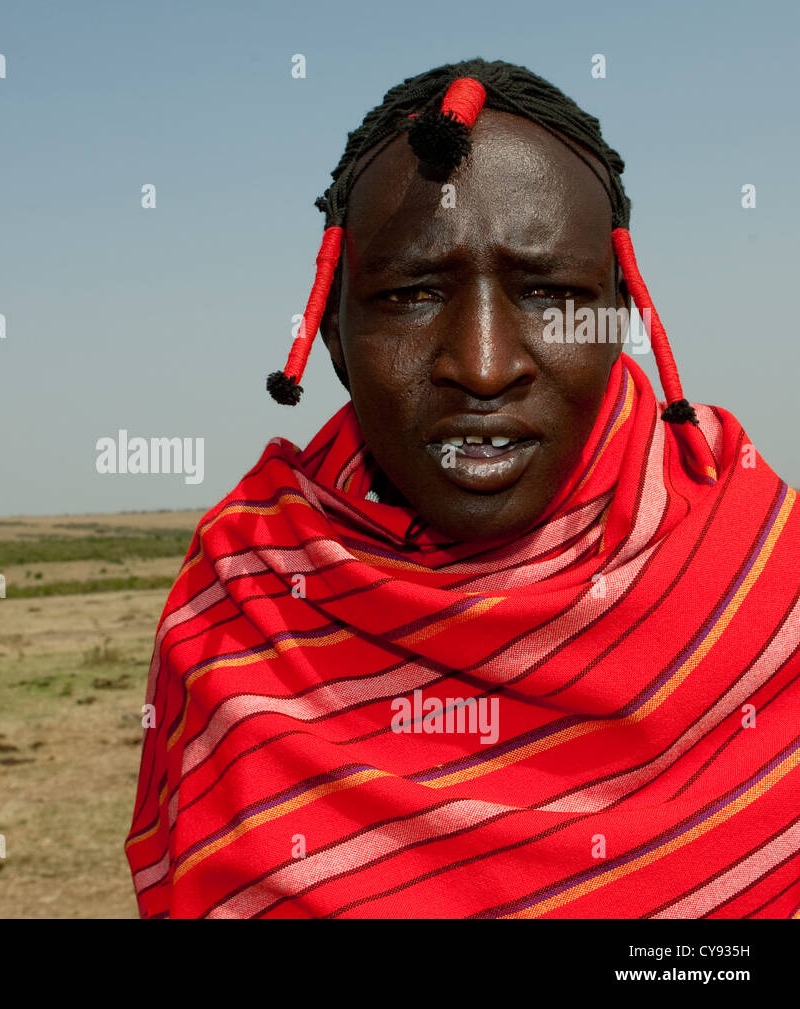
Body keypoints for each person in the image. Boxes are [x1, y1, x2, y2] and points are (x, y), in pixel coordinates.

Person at [126, 58, 800, 918]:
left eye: (552, 294)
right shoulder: (242, 600)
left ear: (619, 319)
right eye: (410, 295)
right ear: (333, 332)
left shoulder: (764, 571)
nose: (482, 366)